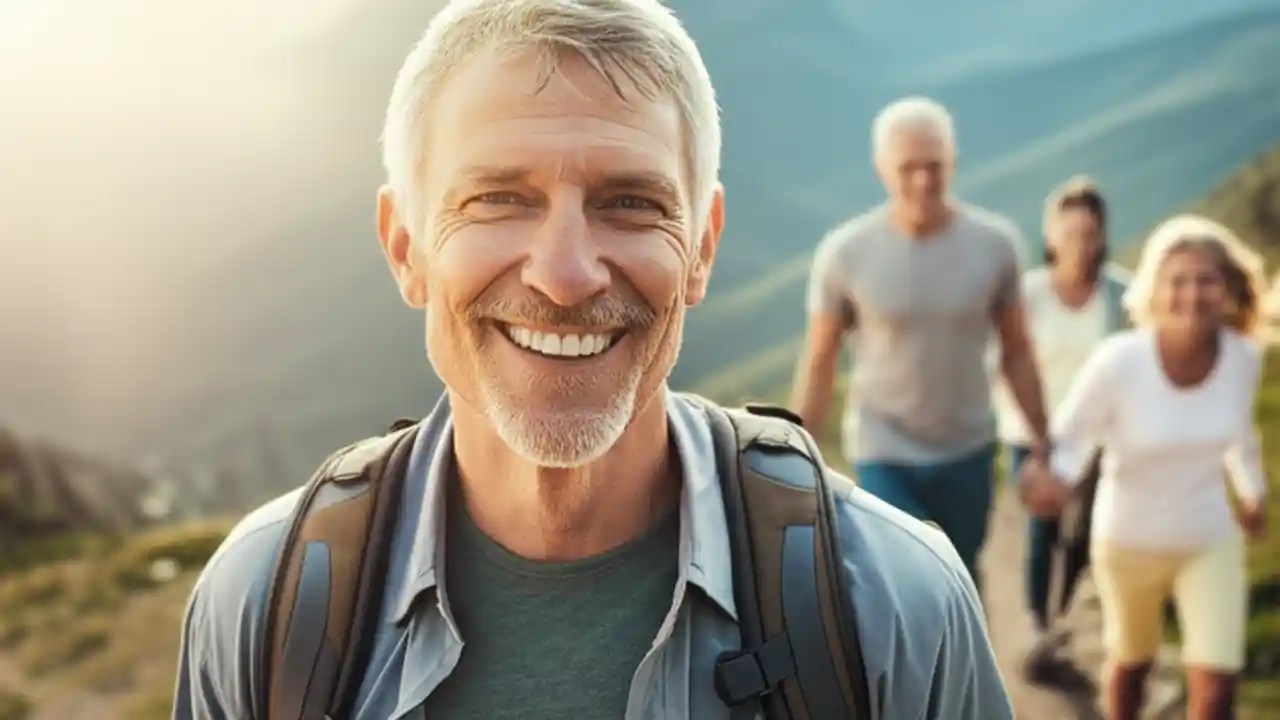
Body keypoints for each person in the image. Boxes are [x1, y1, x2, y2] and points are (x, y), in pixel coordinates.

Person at [170, 2, 1013, 719]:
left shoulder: (899, 609)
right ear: (405, 247)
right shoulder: (260, 608)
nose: (566, 275)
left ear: (702, 250)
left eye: (631, 203)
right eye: (497, 198)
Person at [792, 96, 1051, 589]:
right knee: (897, 580)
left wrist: (1042, 439)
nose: (923, 181)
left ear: (953, 163)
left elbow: (1018, 350)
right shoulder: (846, 253)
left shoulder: (996, 245)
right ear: (881, 168)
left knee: (960, 578)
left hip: (968, 448)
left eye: (935, 166)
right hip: (884, 447)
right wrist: (793, 451)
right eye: (908, 168)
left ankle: (965, 664)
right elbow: (820, 361)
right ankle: (903, 668)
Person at [1022, 214, 1270, 720]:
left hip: (1209, 539)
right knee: (1131, 667)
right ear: (1154, 290)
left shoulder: (1243, 358)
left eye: (1206, 281)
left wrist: (1253, 494)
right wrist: (1057, 482)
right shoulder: (1119, 362)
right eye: (1177, 281)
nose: (1192, 294)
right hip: (1128, 541)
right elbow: (1071, 438)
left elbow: (1241, 436)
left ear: (1226, 291)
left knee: (1218, 688)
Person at [990, 176, 1130, 674]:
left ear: (1102, 236)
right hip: (1034, 432)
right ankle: (1036, 623)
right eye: (1070, 233)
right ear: (1050, 237)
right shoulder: (1028, 295)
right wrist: (1036, 433)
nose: (1080, 245)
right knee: (1042, 527)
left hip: (1096, 437)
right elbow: (1003, 360)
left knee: (1087, 534)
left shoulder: (1122, 294)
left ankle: (1063, 612)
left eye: (1089, 234)